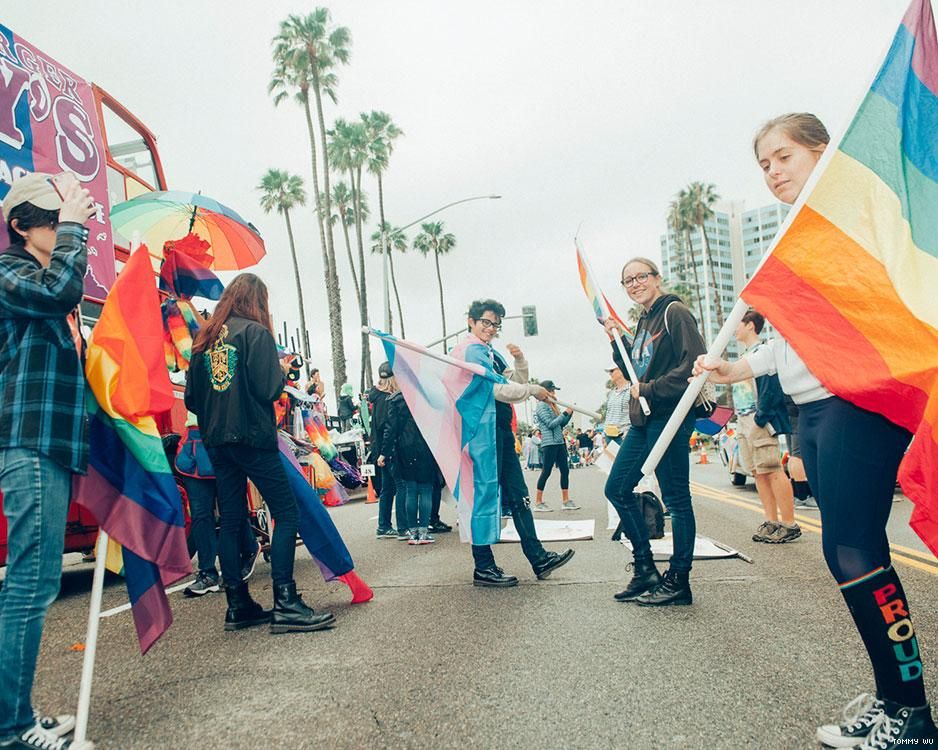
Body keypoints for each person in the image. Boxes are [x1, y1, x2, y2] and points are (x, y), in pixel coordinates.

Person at [695, 112, 935, 746]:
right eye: (764, 164)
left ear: (823, 153)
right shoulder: (798, 235)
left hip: (856, 398)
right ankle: (894, 700)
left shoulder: (851, 221)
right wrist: (732, 368)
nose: (773, 171)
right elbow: (789, 345)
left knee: (854, 547)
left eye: (784, 157)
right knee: (847, 550)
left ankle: (910, 713)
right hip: (815, 409)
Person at [0, 173, 97, 749]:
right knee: (32, 583)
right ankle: (12, 728)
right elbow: (60, 288)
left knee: (35, 581)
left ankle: (19, 715)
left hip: (52, 444)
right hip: (29, 441)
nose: (60, 229)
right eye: (51, 220)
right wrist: (77, 232)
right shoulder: (9, 272)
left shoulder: (46, 278)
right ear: (19, 226)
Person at [186, 273, 334, 634]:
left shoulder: (203, 340)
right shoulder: (256, 333)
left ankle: (238, 604)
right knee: (286, 513)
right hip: (252, 436)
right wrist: (280, 371)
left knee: (232, 519)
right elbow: (269, 388)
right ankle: (286, 601)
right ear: (257, 301)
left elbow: (191, 399)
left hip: (216, 442)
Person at [602, 257, 706, 607]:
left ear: (657, 278)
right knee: (617, 488)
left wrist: (650, 389)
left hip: (670, 416)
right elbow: (635, 368)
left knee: (677, 500)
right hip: (644, 421)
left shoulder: (673, 312)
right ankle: (645, 568)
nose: (634, 284)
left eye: (640, 276)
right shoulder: (644, 320)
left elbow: (695, 366)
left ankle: (679, 579)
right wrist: (616, 339)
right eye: (627, 280)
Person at [457, 299, 575, 587]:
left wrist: (521, 362)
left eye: (496, 324)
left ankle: (538, 556)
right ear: (472, 321)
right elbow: (498, 390)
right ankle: (483, 566)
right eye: (486, 322)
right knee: (484, 497)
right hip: (482, 435)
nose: (491, 328)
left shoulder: (489, 352)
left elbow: (513, 382)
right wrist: (533, 389)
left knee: (519, 495)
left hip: (499, 431)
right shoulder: (470, 350)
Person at [732, 309, 800, 544]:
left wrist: (761, 419)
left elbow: (771, 390)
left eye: (737, 324)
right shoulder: (745, 354)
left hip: (758, 419)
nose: (734, 329)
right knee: (757, 472)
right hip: (742, 419)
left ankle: (789, 523)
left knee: (771, 469)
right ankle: (771, 521)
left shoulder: (763, 352)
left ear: (750, 325)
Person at [174, 413, 261, 596]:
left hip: (225, 437)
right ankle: (207, 573)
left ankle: (249, 548)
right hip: (195, 441)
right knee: (199, 513)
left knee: (231, 508)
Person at [379, 388, 440, 545]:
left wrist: (384, 452)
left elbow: (390, 429)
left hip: (404, 448)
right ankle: (424, 532)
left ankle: (412, 533)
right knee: (426, 490)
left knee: (410, 490)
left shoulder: (395, 400)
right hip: (427, 447)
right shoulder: (428, 395)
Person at [367, 364, 407, 539]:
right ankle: (403, 527)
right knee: (400, 485)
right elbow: (387, 427)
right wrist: (386, 451)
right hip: (388, 448)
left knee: (387, 488)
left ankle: (383, 525)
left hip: (380, 447)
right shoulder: (387, 399)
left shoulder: (376, 397)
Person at [533, 381, 580, 511]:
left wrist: (569, 414)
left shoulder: (553, 406)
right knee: (546, 472)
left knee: (565, 470)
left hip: (559, 442)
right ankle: (538, 502)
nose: (554, 394)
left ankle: (565, 500)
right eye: (552, 391)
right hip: (549, 444)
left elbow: (561, 424)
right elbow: (550, 424)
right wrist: (564, 413)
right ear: (545, 392)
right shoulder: (541, 406)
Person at [603, 366, 631, 445]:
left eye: (612, 371)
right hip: (609, 435)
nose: (610, 374)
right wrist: (604, 434)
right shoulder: (611, 394)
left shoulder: (632, 390)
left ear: (621, 370)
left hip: (623, 435)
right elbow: (608, 413)